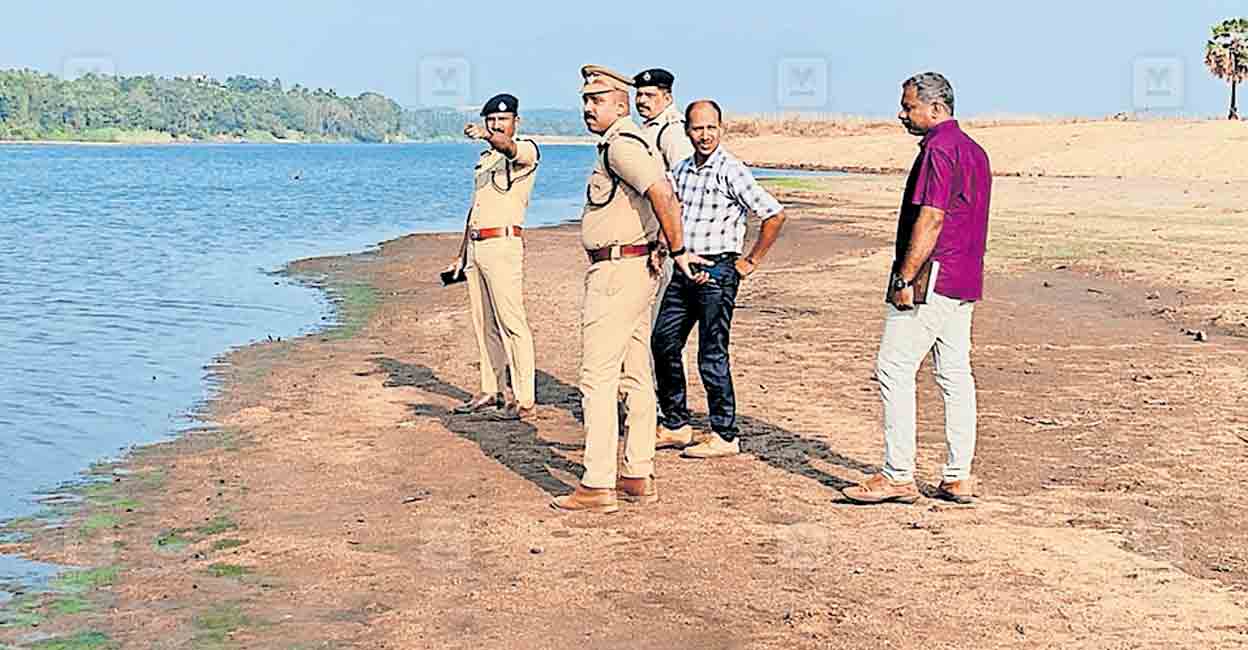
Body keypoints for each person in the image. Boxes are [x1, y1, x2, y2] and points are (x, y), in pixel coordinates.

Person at [552, 65, 708, 514]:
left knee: (596, 378)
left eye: (597, 100)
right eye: (585, 100)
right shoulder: (623, 144)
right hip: (632, 267)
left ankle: (597, 482)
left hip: (618, 273)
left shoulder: (622, 145)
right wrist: (663, 243)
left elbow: (662, 191)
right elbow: (658, 196)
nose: (587, 107)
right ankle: (638, 473)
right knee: (635, 374)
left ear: (621, 104)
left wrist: (677, 248)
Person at [842, 72, 992, 505]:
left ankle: (898, 474)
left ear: (936, 109)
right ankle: (957, 474)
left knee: (893, 366)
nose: (902, 114)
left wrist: (905, 276)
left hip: (933, 277)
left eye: (908, 107)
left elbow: (932, 217)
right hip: (964, 276)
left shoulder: (940, 150)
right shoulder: (974, 151)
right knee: (954, 375)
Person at [652, 100, 787, 459]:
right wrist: (663, 247)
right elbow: (672, 212)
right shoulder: (680, 170)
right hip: (685, 269)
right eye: (698, 128)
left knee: (711, 353)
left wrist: (750, 262)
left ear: (721, 129)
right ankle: (676, 424)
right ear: (687, 131)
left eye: (711, 127)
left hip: (719, 271)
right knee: (663, 343)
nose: (705, 135)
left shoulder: (732, 170)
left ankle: (724, 435)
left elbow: (773, 214)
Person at [445, 93, 540, 421]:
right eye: (491, 120)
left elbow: (510, 148)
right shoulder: (486, 159)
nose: (497, 125)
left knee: (512, 323)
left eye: (503, 120)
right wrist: (460, 254)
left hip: (503, 245)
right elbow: (476, 209)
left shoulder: (525, 150)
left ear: (516, 121)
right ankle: (492, 389)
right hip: (477, 245)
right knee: (483, 323)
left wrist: (489, 136)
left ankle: (525, 398)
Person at [633, 68, 694, 172]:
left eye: (649, 95)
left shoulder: (673, 129)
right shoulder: (653, 125)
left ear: (667, 99)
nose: (641, 100)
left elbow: (683, 174)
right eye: (639, 94)